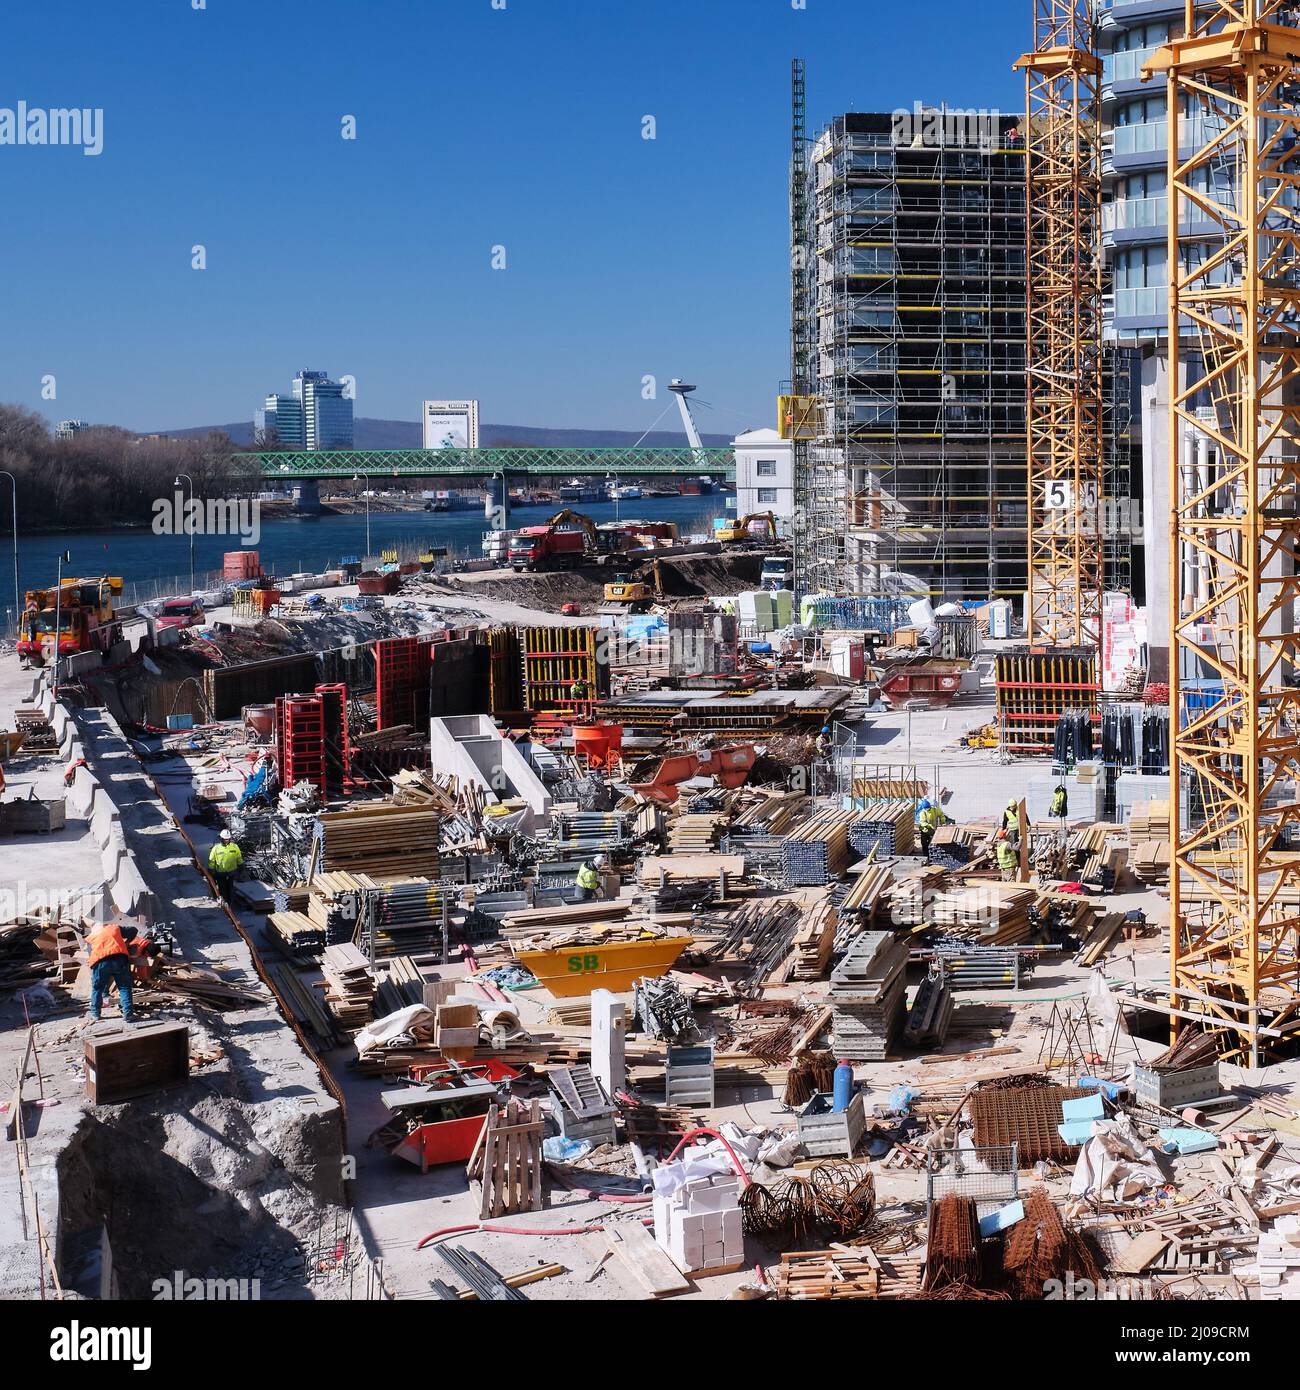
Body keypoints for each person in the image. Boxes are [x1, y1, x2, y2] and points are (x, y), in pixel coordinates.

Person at [86, 919, 135, 1024]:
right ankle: (128, 1014)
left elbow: (92, 955)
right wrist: (126, 943)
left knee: (97, 988)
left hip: (101, 963)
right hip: (119, 959)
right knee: (124, 987)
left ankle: (95, 1014)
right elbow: (133, 930)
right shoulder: (114, 928)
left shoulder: (91, 938)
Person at [208, 829, 243, 902]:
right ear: (221, 838)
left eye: (228, 839)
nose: (227, 840)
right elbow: (212, 860)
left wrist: (241, 865)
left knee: (230, 889)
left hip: (231, 873)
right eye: (225, 839)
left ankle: (230, 904)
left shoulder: (234, 847)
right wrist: (211, 870)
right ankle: (224, 902)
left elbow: (239, 857)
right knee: (222, 889)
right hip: (220, 873)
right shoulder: (216, 848)